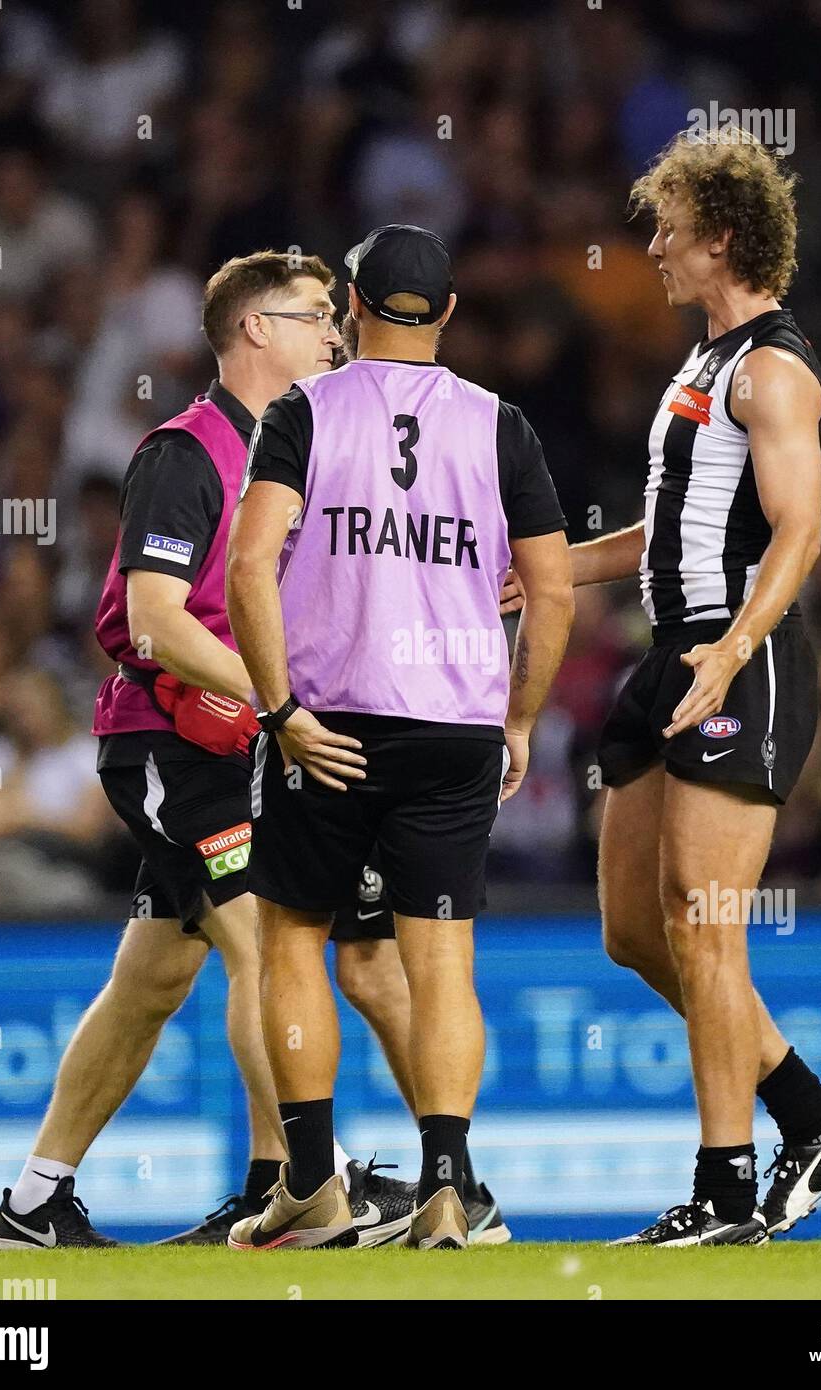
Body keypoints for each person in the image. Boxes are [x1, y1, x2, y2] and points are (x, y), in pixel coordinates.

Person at [0, 249, 491, 1252]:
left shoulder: (300, 454)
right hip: (175, 742)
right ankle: (314, 1185)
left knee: (152, 980)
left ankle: (35, 1203)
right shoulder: (188, 451)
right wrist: (278, 697)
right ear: (253, 328)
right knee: (267, 945)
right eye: (312, 315)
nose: (334, 332)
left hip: (246, 745)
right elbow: (154, 616)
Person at [505, 131, 821, 1245]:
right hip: (672, 654)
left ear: (721, 236)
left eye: (668, 228)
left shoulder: (774, 367)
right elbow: (661, 532)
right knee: (636, 934)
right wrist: (539, 576)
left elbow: (799, 530)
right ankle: (809, 1115)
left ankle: (723, 1192)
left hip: (741, 658)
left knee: (706, 928)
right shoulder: (701, 363)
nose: (653, 247)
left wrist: (729, 650)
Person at [225, 224, 574, 1250]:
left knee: (292, 939)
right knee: (441, 963)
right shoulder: (498, 423)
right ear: (451, 313)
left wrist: (280, 709)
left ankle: (308, 1181)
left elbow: (251, 566)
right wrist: (519, 717)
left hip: (328, 718)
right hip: (454, 724)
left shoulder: (302, 409)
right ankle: (447, 1183)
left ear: (353, 305)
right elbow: (550, 592)